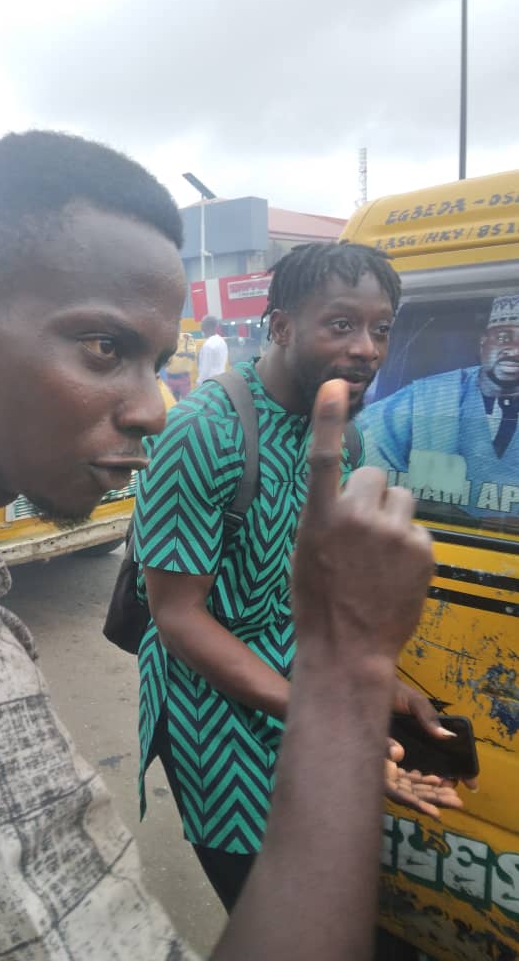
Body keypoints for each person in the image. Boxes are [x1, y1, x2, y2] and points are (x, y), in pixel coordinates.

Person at [0, 133, 442, 961]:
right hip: (229, 741)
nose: (151, 407)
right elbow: (178, 618)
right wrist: (348, 682)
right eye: (104, 348)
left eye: (155, 358)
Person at [133, 241, 464, 913]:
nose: (368, 348)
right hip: (215, 715)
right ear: (281, 326)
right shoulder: (206, 430)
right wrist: (322, 715)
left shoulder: (346, 435)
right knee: (271, 905)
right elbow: (177, 617)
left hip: (302, 690)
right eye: (341, 325)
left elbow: (319, 598)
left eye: (380, 328)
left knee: (326, 886)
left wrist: (375, 682)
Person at [358, 293, 519, 521]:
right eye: (503, 338)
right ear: (483, 342)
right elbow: (364, 442)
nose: (514, 350)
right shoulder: (431, 395)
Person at [196, 313, 228, 385]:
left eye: (202, 325)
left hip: (210, 384)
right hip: (221, 381)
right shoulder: (221, 341)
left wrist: (199, 383)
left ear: (207, 327)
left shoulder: (208, 345)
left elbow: (205, 369)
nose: (201, 328)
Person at [165, 331, 197, 400]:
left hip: (183, 378)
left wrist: (184, 354)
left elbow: (193, 355)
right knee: (173, 402)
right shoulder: (167, 340)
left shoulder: (187, 338)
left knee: (187, 402)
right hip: (170, 377)